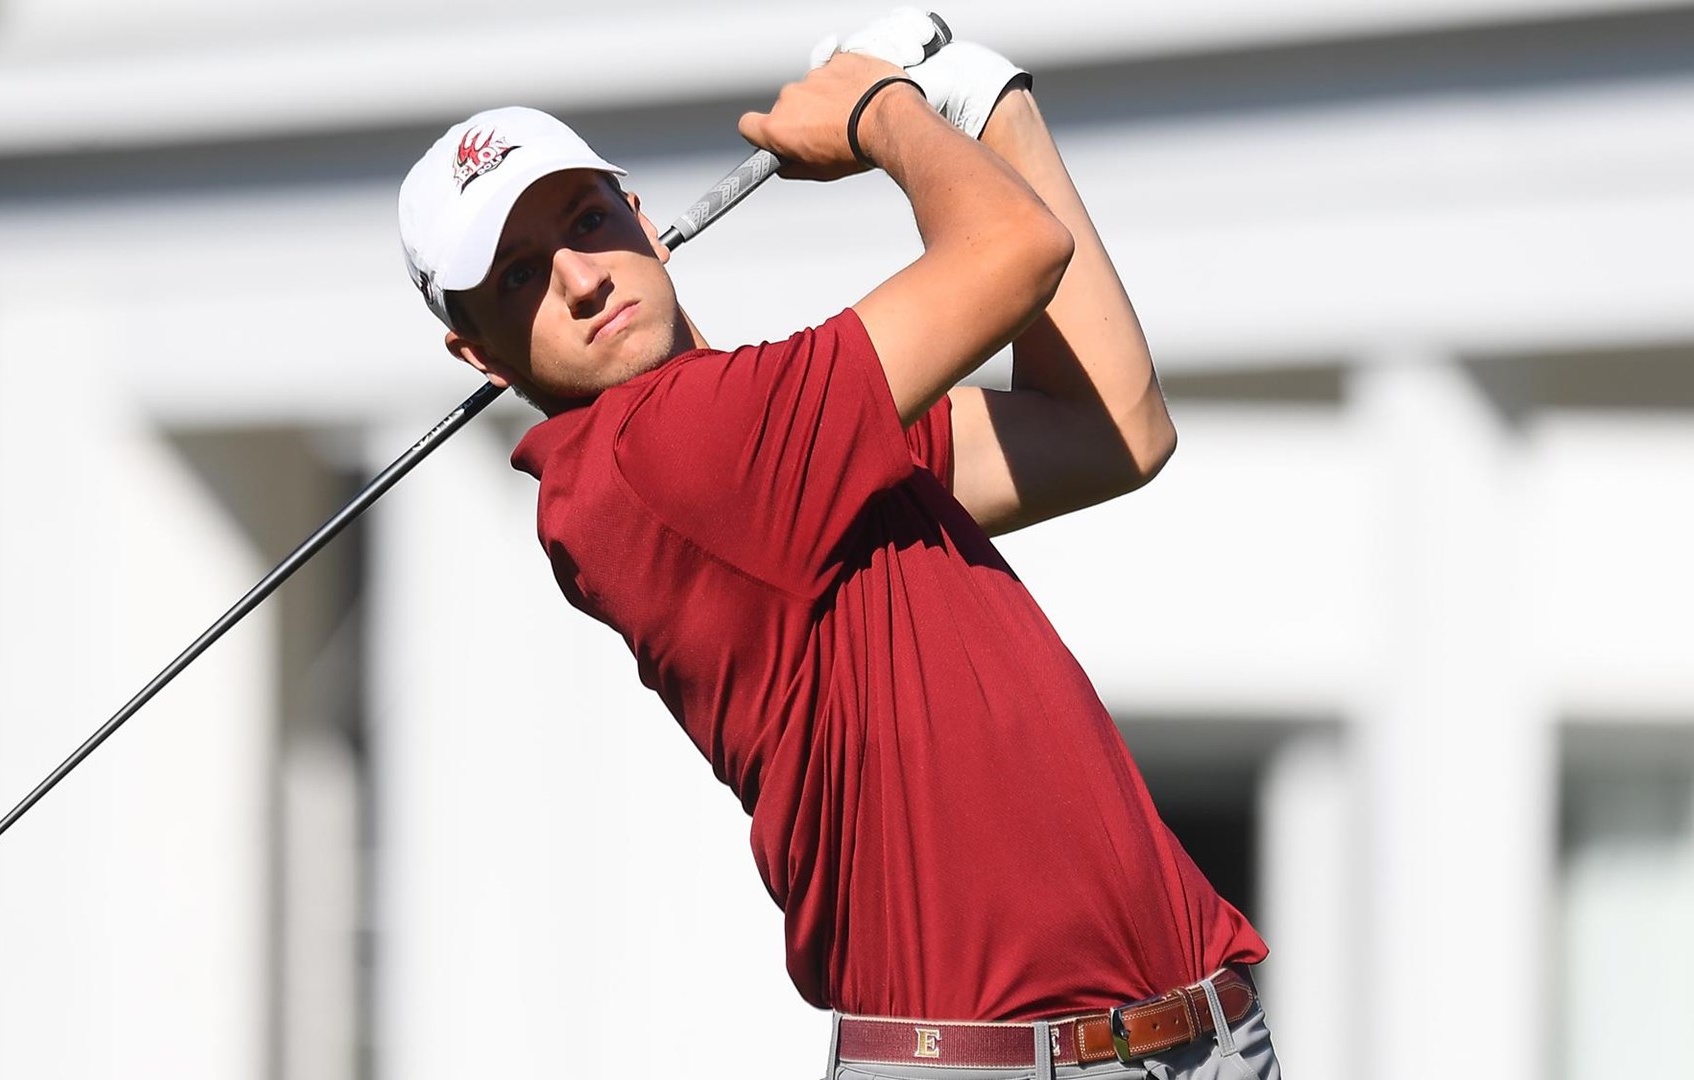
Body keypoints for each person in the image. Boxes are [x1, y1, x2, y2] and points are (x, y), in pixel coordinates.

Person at [397, 12, 1280, 1079]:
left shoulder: (788, 444)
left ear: (644, 219)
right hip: (995, 1061)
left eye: (588, 220)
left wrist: (991, 101)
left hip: (1198, 1037)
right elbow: (1016, 248)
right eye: (518, 281)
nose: (582, 278)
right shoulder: (661, 455)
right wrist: (884, 113)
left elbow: (1119, 428)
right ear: (477, 354)